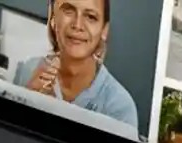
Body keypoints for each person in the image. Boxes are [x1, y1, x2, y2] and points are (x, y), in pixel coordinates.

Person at [13, 0, 139, 130]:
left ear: (104, 30)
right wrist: (25, 100)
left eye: (90, 17)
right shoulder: (27, 71)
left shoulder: (120, 108)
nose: (78, 25)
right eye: (68, 11)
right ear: (53, 18)